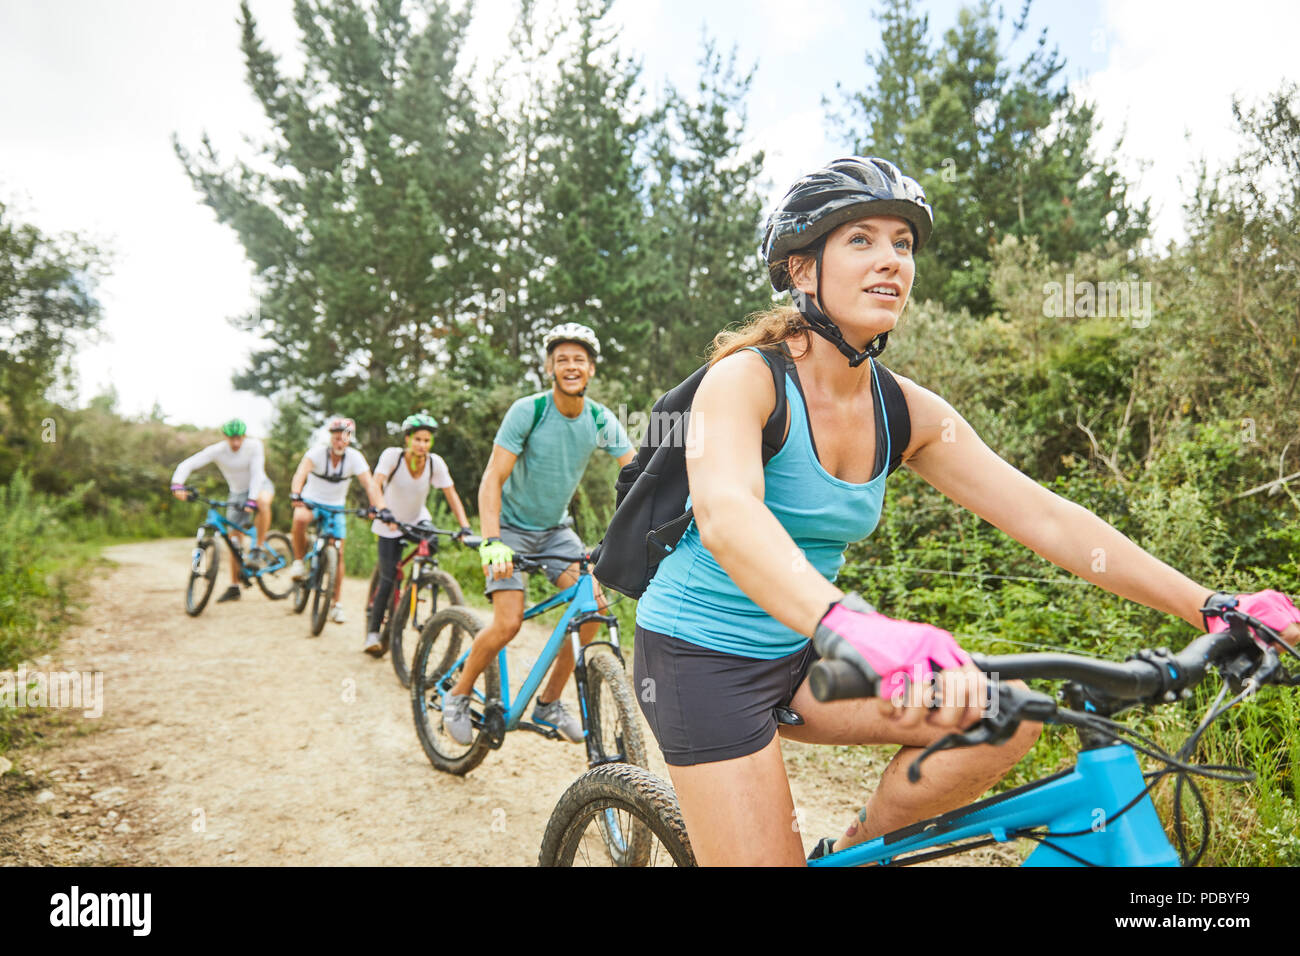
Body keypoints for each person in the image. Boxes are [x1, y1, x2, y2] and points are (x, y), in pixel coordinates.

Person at [630, 155, 1300, 866]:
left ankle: (860, 851)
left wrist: (1210, 605)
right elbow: (729, 516)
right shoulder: (745, 381)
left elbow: (1046, 517)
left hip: (805, 652)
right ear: (801, 270)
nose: (890, 259)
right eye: (861, 239)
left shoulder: (904, 410)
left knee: (1003, 714)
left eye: (903, 243)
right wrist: (851, 624)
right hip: (699, 656)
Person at [443, 323, 636, 744]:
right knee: (508, 623)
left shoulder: (601, 419)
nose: (571, 366)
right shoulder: (528, 411)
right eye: (562, 359)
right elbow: (493, 477)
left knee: (593, 611)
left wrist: (639, 531)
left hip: (554, 532)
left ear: (591, 369)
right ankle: (457, 695)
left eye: (579, 360)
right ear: (550, 367)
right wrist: (491, 541)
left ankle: (549, 702)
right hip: (508, 529)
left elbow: (636, 474)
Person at [363, 412, 473, 657]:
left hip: (416, 519)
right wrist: (382, 509)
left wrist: (465, 526)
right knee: (389, 578)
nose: (422, 445)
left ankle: (421, 577)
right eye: (417, 439)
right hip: (389, 522)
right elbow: (375, 483)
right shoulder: (393, 456)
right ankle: (373, 631)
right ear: (407, 439)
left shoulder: (435, 463)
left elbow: (451, 495)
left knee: (432, 540)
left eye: (426, 440)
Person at [287, 416, 390, 625]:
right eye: (336, 437)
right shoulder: (316, 453)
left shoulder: (355, 458)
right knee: (299, 519)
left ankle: (336, 605)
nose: (339, 441)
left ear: (350, 439)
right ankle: (299, 561)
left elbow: (369, 484)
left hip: (336, 507)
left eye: (344, 437)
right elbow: (301, 473)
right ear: (331, 438)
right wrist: (296, 493)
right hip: (312, 501)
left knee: (339, 552)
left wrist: (376, 507)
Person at [170, 418, 275, 603]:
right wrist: (177, 484)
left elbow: (257, 473)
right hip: (236, 493)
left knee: (263, 503)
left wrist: (252, 500)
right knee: (234, 541)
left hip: (259, 487)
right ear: (225, 437)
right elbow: (189, 463)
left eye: (239, 438)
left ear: (244, 436)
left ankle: (258, 547)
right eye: (231, 438)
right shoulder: (218, 450)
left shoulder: (254, 446)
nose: (235, 443)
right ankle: (234, 586)